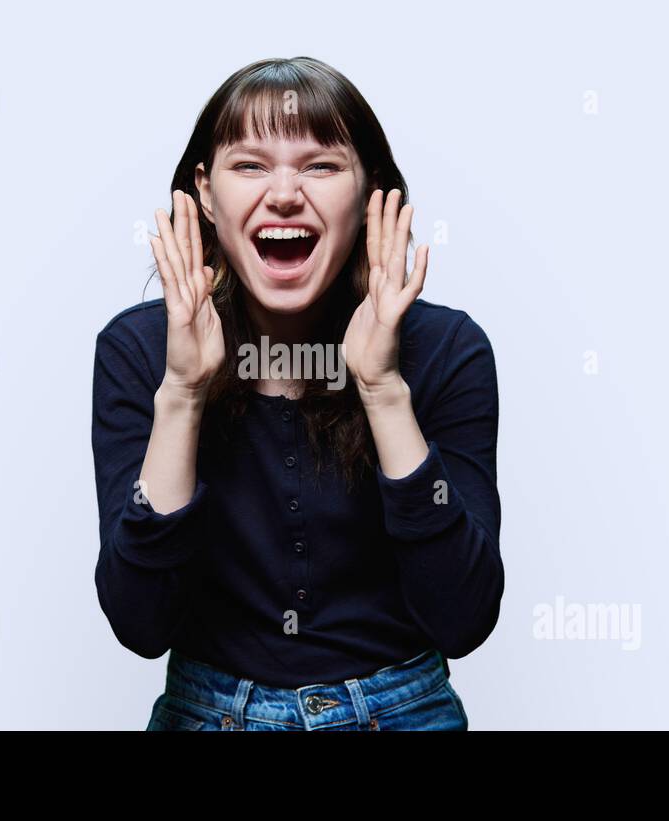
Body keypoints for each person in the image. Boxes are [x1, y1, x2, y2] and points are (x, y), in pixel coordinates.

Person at [92, 56, 503, 730]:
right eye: (250, 165)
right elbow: (140, 622)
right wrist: (183, 395)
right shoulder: (139, 353)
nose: (284, 193)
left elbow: (463, 619)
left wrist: (383, 387)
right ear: (204, 191)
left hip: (403, 711)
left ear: (371, 192)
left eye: (320, 165)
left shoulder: (447, 351)